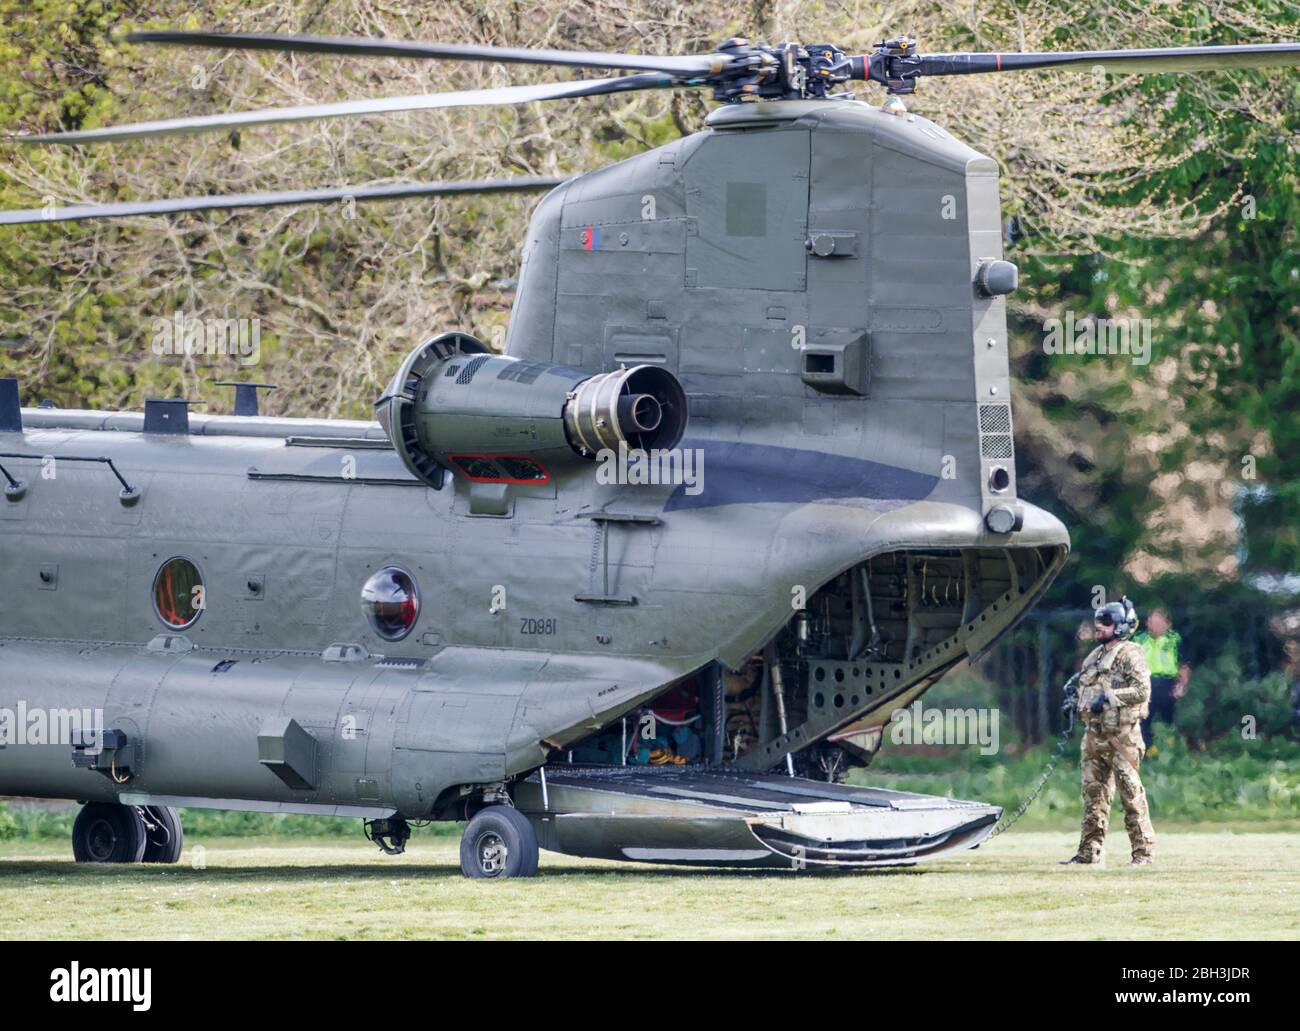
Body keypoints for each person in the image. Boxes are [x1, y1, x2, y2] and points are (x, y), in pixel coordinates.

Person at [1061, 596, 1156, 866]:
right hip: (1094, 736)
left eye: (1105, 622)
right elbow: (1083, 687)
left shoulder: (1130, 654)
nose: (1098, 627)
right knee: (1093, 795)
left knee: (1130, 794)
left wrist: (1110, 698)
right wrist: (1072, 701)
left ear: (1121, 626)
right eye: (1098, 622)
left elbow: (1141, 691)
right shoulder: (1095, 657)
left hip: (1122, 737)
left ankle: (1143, 853)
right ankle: (1089, 851)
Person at [1133, 607, 1190, 751]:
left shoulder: (1174, 640)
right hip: (1145, 683)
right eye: (1152, 621)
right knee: (1143, 719)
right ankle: (1147, 751)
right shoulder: (1139, 639)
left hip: (1167, 683)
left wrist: (1182, 685)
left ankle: (1172, 748)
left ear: (1168, 624)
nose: (1155, 625)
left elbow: (1183, 665)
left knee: (1169, 719)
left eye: (1159, 622)